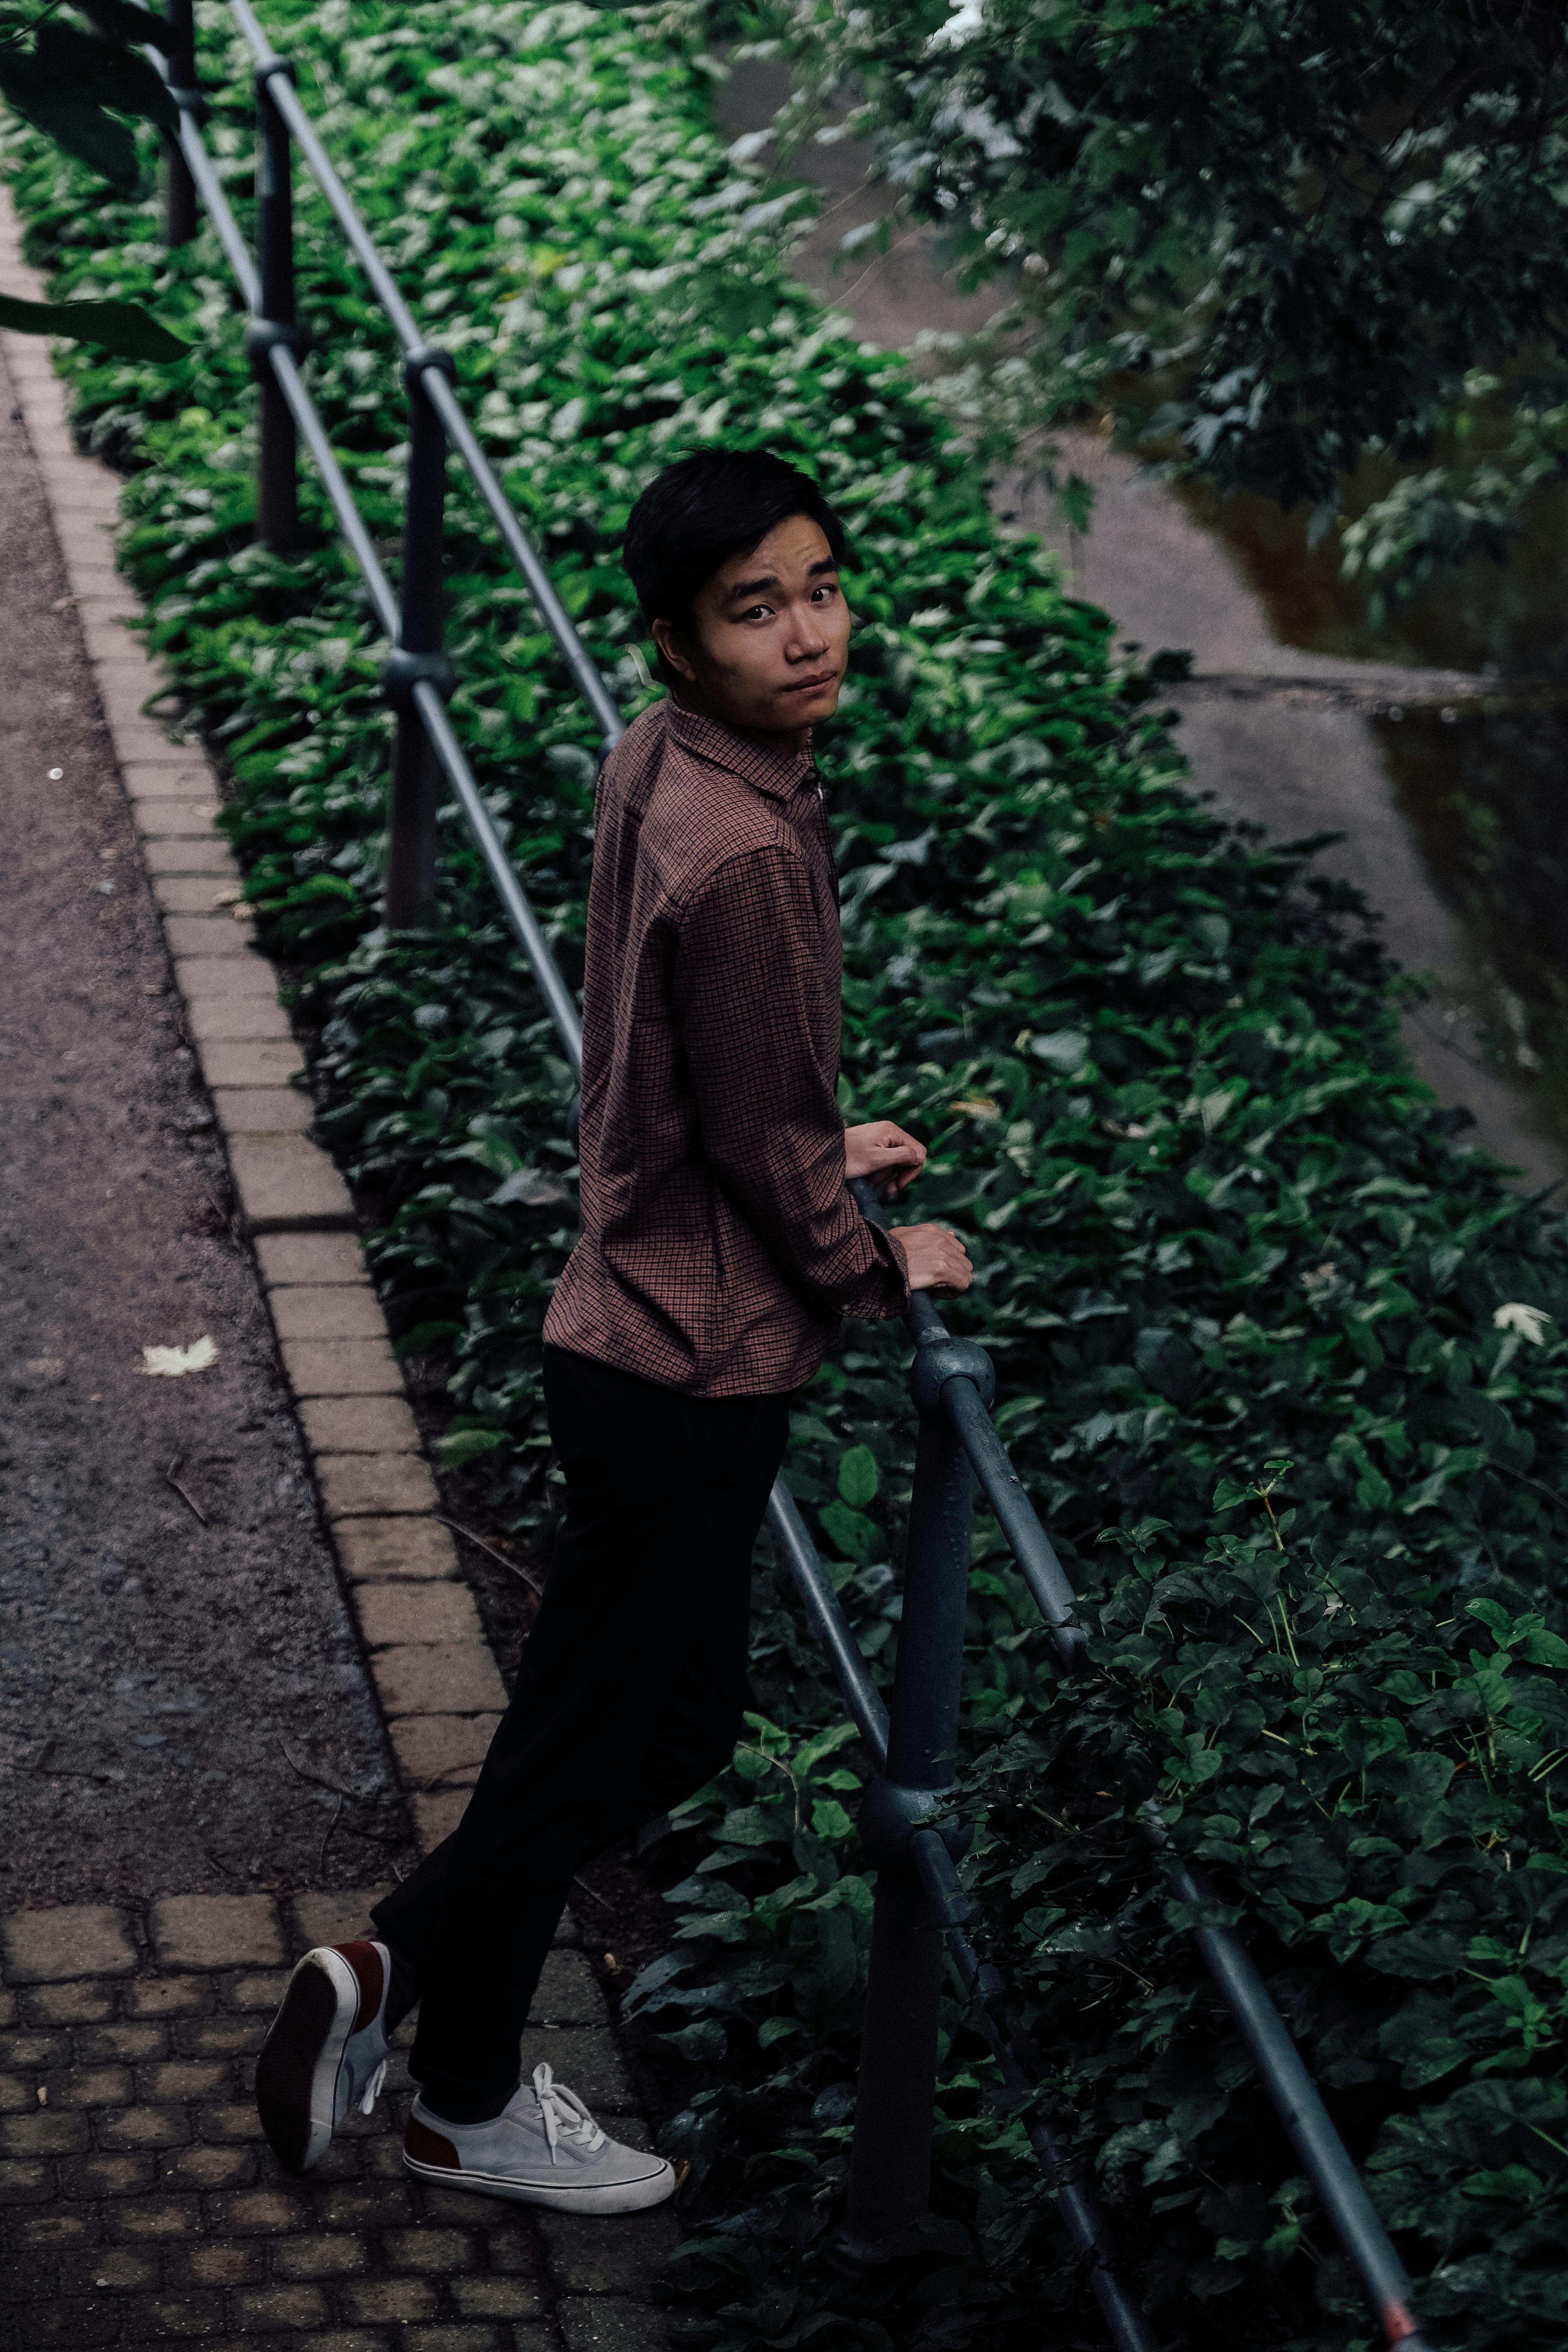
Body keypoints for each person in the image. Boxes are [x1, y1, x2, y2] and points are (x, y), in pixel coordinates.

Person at [254, 447, 974, 2210]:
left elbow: (723, 1078)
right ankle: (460, 2094)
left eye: (820, 585)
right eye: (754, 609)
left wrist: (815, 1130)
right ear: (672, 636)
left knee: (630, 1732)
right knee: (627, 1739)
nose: (807, 634)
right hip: (688, 1367)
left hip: (625, 1321)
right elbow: (748, 1127)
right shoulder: (746, 848)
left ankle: (389, 1988)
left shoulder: (670, 760)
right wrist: (890, 1269)